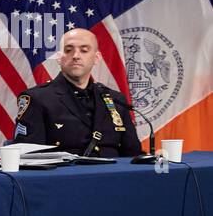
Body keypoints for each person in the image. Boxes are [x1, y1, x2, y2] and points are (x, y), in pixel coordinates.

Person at [13, 28, 141, 158]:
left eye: (84, 50)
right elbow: (28, 157)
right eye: (68, 50)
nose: (76, 56)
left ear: (96, 58)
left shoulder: (116, 100)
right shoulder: (37, 99)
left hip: (115, 176)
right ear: (58, 58)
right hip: (64, 176)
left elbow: (133, 154)